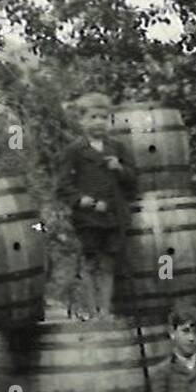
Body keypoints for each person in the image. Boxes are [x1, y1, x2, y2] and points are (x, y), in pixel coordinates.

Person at [55, 91, 138, 319]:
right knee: (90, 263)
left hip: (113, 217)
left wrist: (120, 169)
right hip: (88, 218)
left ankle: (105, 310)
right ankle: (92, 311)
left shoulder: (117, 148)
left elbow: (133, 180)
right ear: (81, 120)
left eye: (104, 117)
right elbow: (63, 185)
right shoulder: (75, 150)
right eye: (93, 117)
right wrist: (82, 200)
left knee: (109, 264)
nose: (99, 122)